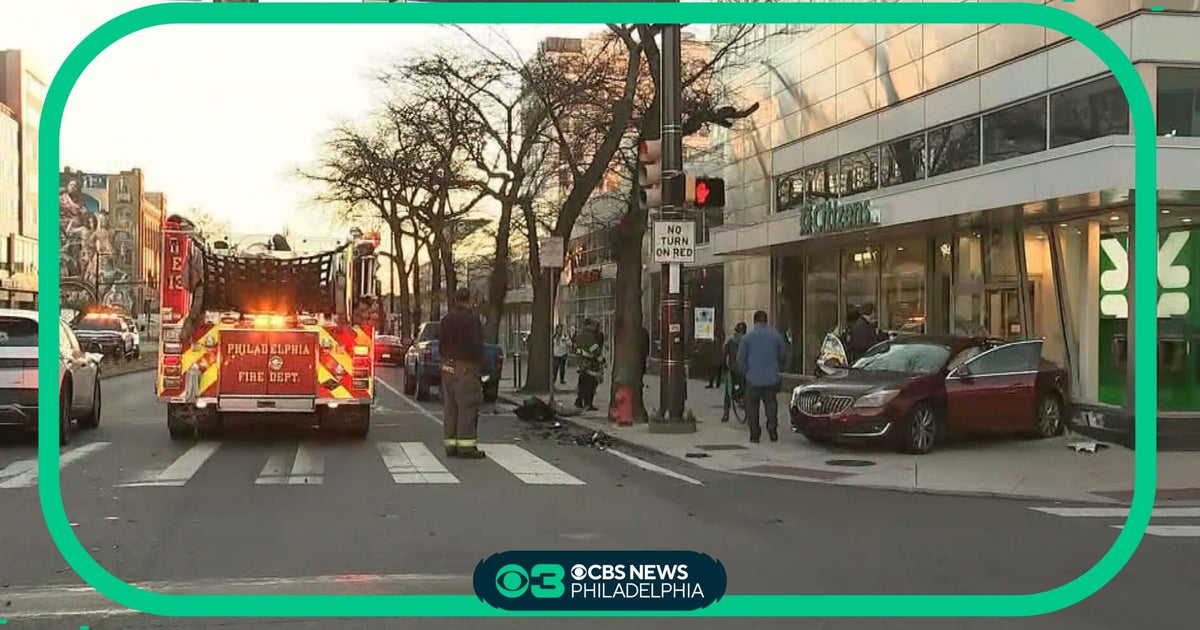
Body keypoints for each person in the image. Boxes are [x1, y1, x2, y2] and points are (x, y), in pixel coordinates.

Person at [438, 287, 487, 459]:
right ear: (469, 300)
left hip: (447, 366)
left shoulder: (446, 320)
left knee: (450, 407)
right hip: (466, 367)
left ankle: (450, 445)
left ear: (455, 300)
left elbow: (441, 343)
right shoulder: (472, 321)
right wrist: (481, 367)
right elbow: (477, 345)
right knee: (467, 406)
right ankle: (466, 447)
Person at [737, 310, 787, 443]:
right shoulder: (776, 336)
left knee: (752, 407)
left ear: (754, 321)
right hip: (771, 378)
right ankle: (772, 426)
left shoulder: (747, 338)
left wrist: (744, 372)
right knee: (771, 404)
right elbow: (783, 355)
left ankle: (754, 433)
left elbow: (740, 359)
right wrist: (777, 368)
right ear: (766, 320)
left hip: (752, 378)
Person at [572, 319, 606, 411]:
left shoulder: (580, 335)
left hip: (582, 363)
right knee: (590, 385)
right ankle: (588, 403)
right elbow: (595, 350)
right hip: (590, 364)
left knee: (582, 384)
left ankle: (579, 401)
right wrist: (603, 361)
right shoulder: (589, 337)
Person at [721, 322, 747, 422]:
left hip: (732, 370)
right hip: (744, 371)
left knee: (728, 393)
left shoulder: (731, 342)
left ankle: (726, 414)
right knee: (746, 390)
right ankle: (745, 405)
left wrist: (724, 366)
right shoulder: (747, 341)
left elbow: (724, 355)